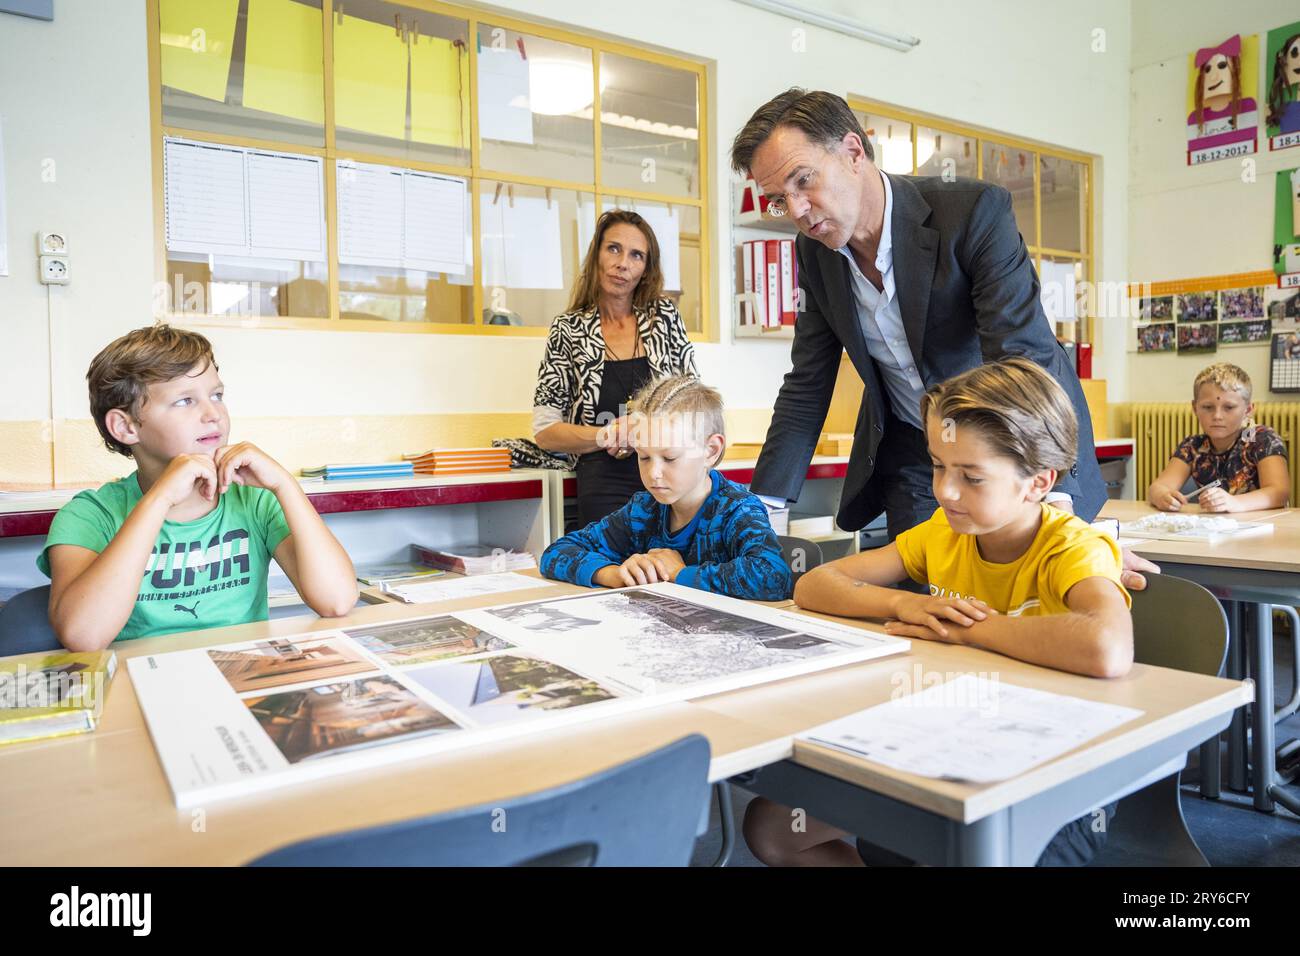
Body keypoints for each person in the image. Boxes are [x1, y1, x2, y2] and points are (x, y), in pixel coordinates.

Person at [728, 89, 1154, 588]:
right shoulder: (815, 253)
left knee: (1034, 586)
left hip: (1009, 445)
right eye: (780, 199)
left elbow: (1023, 358)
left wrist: (1055, 509)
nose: (798, 210)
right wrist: (761, 511)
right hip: (917, 454)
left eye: (804, 181)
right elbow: (808, 383)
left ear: (853, 151)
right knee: (933, 607)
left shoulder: (971, 212)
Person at [743, 358, 1132, 867]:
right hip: (944, 744)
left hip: (1050, 779)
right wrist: (909, 602)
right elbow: (817, 584)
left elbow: (1107, 648)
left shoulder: (1072, 547)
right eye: (938, 466)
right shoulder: (941, 535)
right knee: (775, 829)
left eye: (972, 477)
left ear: (1038, 482)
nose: (945, 491)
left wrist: (973, 631)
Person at [39, 325, 358, 649]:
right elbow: (83, 636)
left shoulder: (255, 500)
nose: (213, 414)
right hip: (140, 683)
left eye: (217, 395)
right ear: (126, 426)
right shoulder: (88, 515)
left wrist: (284, 485)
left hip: (242, 677)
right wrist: (160, 499)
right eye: (184, 401)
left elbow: (338, 601)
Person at [540, 374, 790, 601]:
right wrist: (616, 575)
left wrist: (679, 574)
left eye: (669, 458)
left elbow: (774, 577)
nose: (653, 473)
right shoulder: (642, 510)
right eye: (644, 457)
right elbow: (556, 552)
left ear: (711, 451)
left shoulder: (737, 510)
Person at [533, 210, 697, 527]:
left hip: (669, 477)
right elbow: (545, 432)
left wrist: (646, 429)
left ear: (646, 270)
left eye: (636, 255)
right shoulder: (568, 329)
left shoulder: (664, 317)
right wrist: (607, 435)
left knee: (671, 570)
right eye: (614, 249)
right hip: (603, 483)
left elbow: (693, 404)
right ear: (596, 256)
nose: (623, 263)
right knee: (616, 572)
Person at [1147, 363, 1290, 513]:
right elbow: (1157, 487)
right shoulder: (1192, 446)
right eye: (1208, 407)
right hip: (1215, 530)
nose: (1217, 416)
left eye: (1229, 407)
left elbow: (1279, 492)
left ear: (1248, 410)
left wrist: (1235, 503)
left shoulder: (1261, 439)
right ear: (1195, 408)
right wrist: (1162, 496)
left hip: (1263, 527)